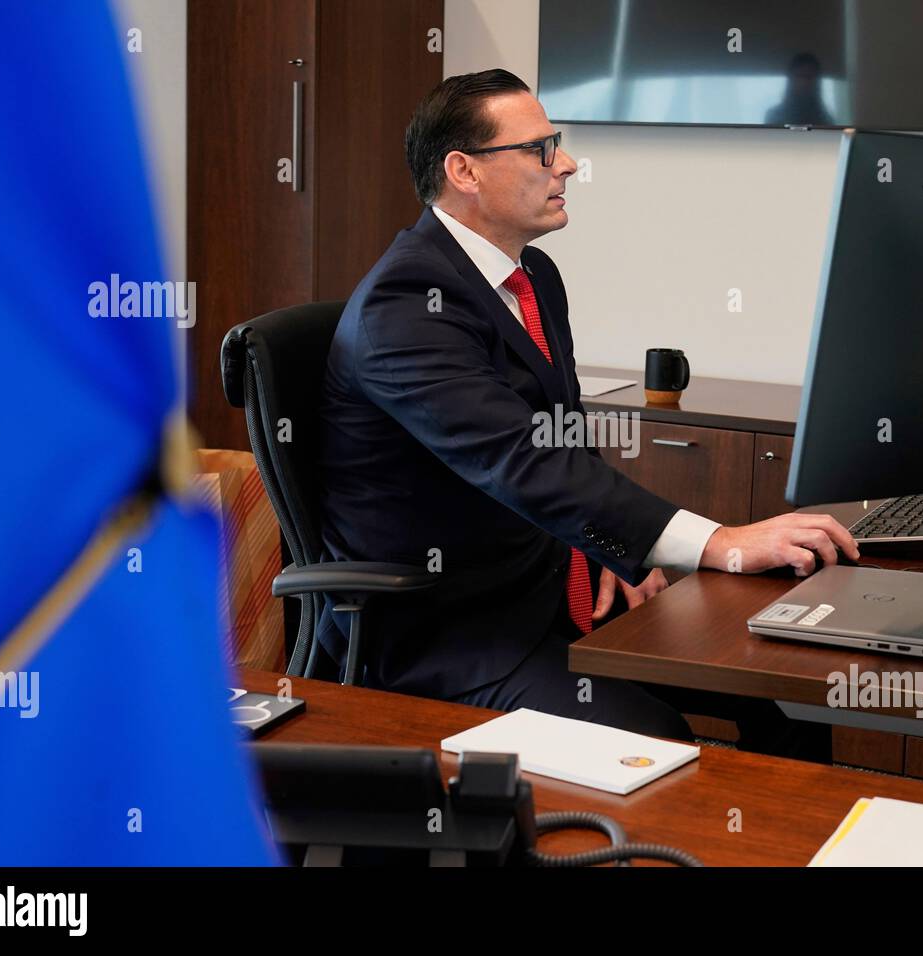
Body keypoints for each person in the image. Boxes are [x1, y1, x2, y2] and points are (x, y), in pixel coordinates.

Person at [317, 69, 857, 759]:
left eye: (559, 145)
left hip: (545, 588)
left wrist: (605, 544)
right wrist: (719, 541)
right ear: (464, 172)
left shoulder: (533, 276)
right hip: (448, 634)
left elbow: (561, 434)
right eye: (541, 149)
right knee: (657, 743)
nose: (567, 164)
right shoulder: (404, 306)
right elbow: (521, 461)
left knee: (785, 686)